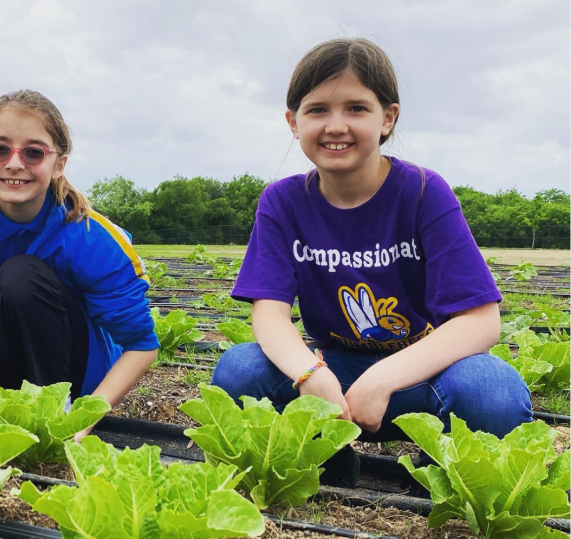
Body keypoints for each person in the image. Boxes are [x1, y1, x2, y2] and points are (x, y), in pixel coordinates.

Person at [212, 38, 531, 482]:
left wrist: (384, 378)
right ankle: (324, 456)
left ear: (387, 118)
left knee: (492, 389)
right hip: (331, 373)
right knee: (239, 369)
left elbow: (480, 321)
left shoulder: (424, 192)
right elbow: (269, 313)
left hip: (422, 373)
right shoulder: (283, 202)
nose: (335, 126)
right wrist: (310, 373)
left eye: (356, 108)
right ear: (293, 122)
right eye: (317, 109)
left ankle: (439, 473)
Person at [0, 90, 158, 437]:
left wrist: (82, 423)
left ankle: (55, 416)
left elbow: (142, 344)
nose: (14, 163)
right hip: (3, 375)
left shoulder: (92, 238)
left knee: (21, 275)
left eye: (33, 152)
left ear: (58, 164)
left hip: (73, 375)